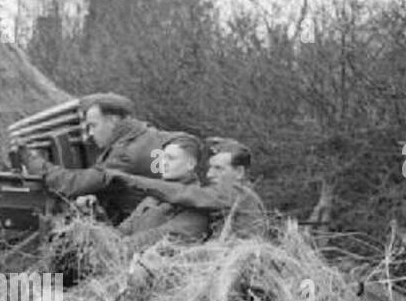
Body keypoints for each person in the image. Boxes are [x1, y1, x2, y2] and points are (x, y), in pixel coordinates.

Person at [23, 94, 168, 224]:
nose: (90, 134)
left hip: (140, 228)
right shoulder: (149, 134)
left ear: (112, 120)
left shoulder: (126, 154)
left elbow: (76, 184)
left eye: (93, 126)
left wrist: (36, 164)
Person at [105, 136, 267, 242]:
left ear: (239, 172)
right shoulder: (224, 197)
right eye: (210, 168)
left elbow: (184, 194)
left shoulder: (236, 193)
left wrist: (133, 181)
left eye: (219, 168)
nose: (210, 174)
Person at [112, 134, 213, 248]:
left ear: (190, 164)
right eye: (163, 158)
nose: (163, 163)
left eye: (171, 158)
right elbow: (126, 227)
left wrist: (119, 246)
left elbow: (166, 236)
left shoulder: (196, 200)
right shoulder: (156, 194)